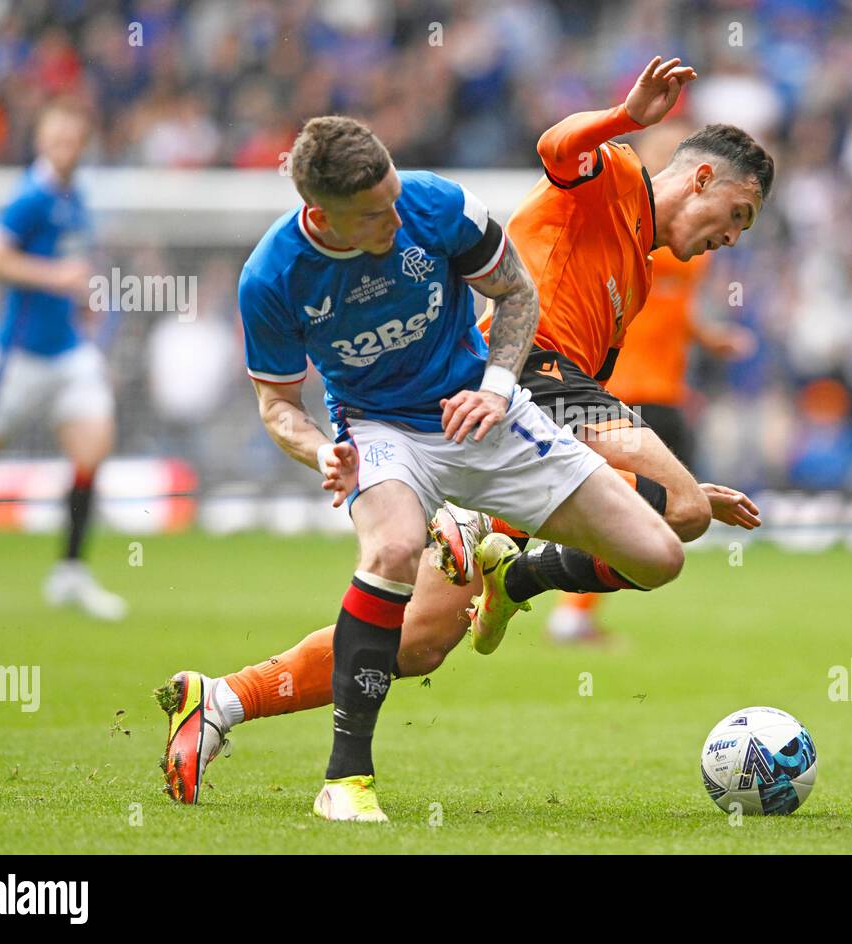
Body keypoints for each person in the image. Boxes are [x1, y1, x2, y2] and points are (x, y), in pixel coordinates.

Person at [158, 57, 773, 809]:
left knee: (420, 642)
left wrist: (639, 479)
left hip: (517, 402)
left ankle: (223, 700)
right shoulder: (612, 176)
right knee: (681, 508)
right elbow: (559, 147)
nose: (734, 236)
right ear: (703, 180)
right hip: (516, 381)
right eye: (739, 214)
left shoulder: (638, 267)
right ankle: (491, 547)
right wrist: (627, 116)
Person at [547, 121, 757, 643]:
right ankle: (566, 604)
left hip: (659, 384)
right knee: (655, 506)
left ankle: (546, 583)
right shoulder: (630, 222)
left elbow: (673, 313)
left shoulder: (681, 252)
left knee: (668, 511)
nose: (729, 238)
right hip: (611, 385)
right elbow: (560, 151)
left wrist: (710, 340)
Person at [0, 100, 126, 621]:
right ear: (43, 140)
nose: (68, 144)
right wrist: (55, 276)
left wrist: (84, 299)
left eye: (75, 136)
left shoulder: (77, 197)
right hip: (19, 356)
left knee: (93, 447)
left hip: (68, 352)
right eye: (59, 135)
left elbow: (74, 269)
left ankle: (69, 572)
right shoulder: (31, 197)